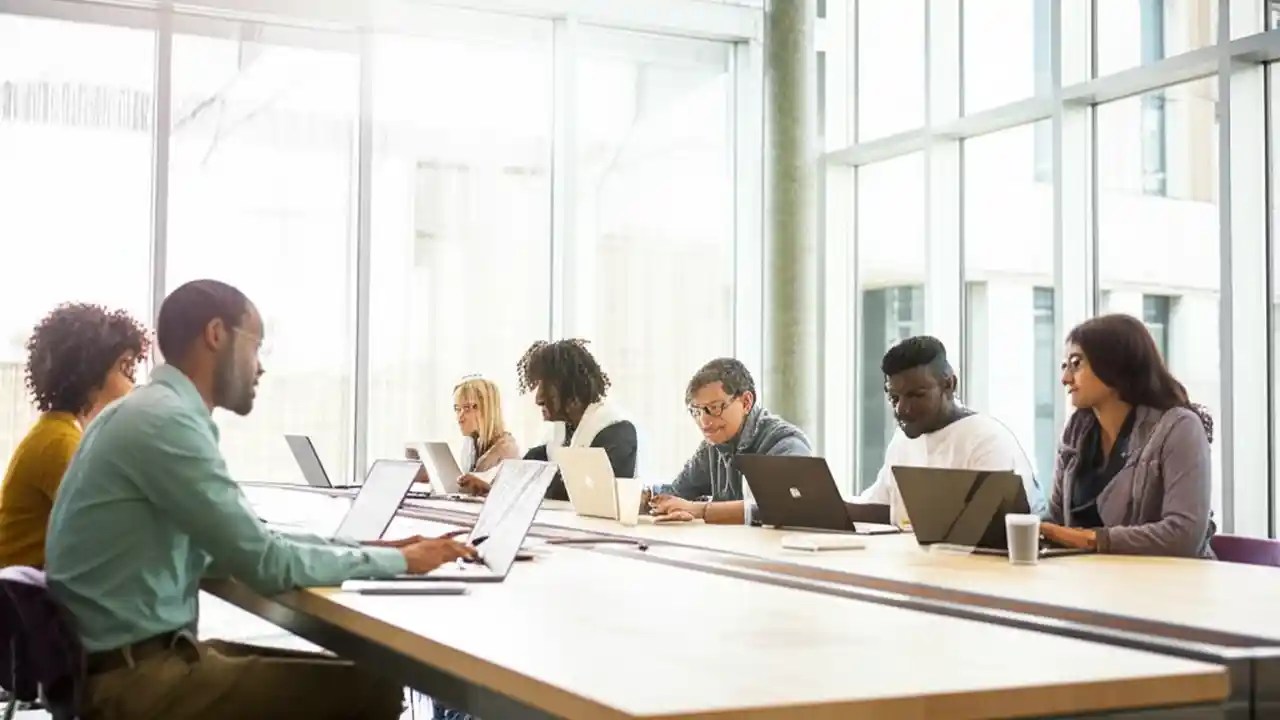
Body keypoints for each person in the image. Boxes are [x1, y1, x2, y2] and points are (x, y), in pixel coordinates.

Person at [45, 279, 475, 720]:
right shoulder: (166, 424)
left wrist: (374, 551)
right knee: (371, 691)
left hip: (113, 666)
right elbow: (266, 564)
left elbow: (238, 550)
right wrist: (403, 563)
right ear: (216, 334)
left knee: (368, 678)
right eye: (256, 347)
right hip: (130, 685)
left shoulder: (140, 413)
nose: (260, 367)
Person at [1040, 314, 1214, 557]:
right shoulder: (1076, 431)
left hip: (1168, 586)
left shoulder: (1180, 427)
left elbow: (1183, 536)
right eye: (1064, 366)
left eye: (1076, 364)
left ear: (1114, 365)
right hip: (1087, 584)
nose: (1065, 378)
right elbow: (1056, 521)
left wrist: (1089, 539)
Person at [0, 303, 150, 568]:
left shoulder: (57, 432)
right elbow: (112, 529)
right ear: (89, 373)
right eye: (125, 368)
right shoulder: (60, 443)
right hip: (17, 602)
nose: (133, 384)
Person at [849, 336, 1045, 527]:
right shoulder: (903, 441)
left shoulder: (987, 440)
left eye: (916, 395)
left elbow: (998, 529)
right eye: (894, 398)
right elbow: (882, 507)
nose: (901, 409)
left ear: (949, 385)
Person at [648, 358, 812, 525]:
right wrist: (643, 498)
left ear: (746, 402)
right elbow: (678, 493)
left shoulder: (785, 443)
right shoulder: (713, 446)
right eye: (696, 411)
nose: (704, 422)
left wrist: (701, 511)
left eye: (714, 408)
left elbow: (786, 506)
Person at [512, 339, 637, 500]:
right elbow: (525, 474)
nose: (538, 398)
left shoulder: (617, 431)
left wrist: (538, 483)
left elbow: (592, 493)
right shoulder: (561, 434)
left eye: (546, 385)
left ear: (571, 388)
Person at [443, 376, 520, 495]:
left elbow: (510, 495)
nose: (460, 417)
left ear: (488, 409)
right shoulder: (470, 445)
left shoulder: (507, 449)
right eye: (457, 409)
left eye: (468, 408)